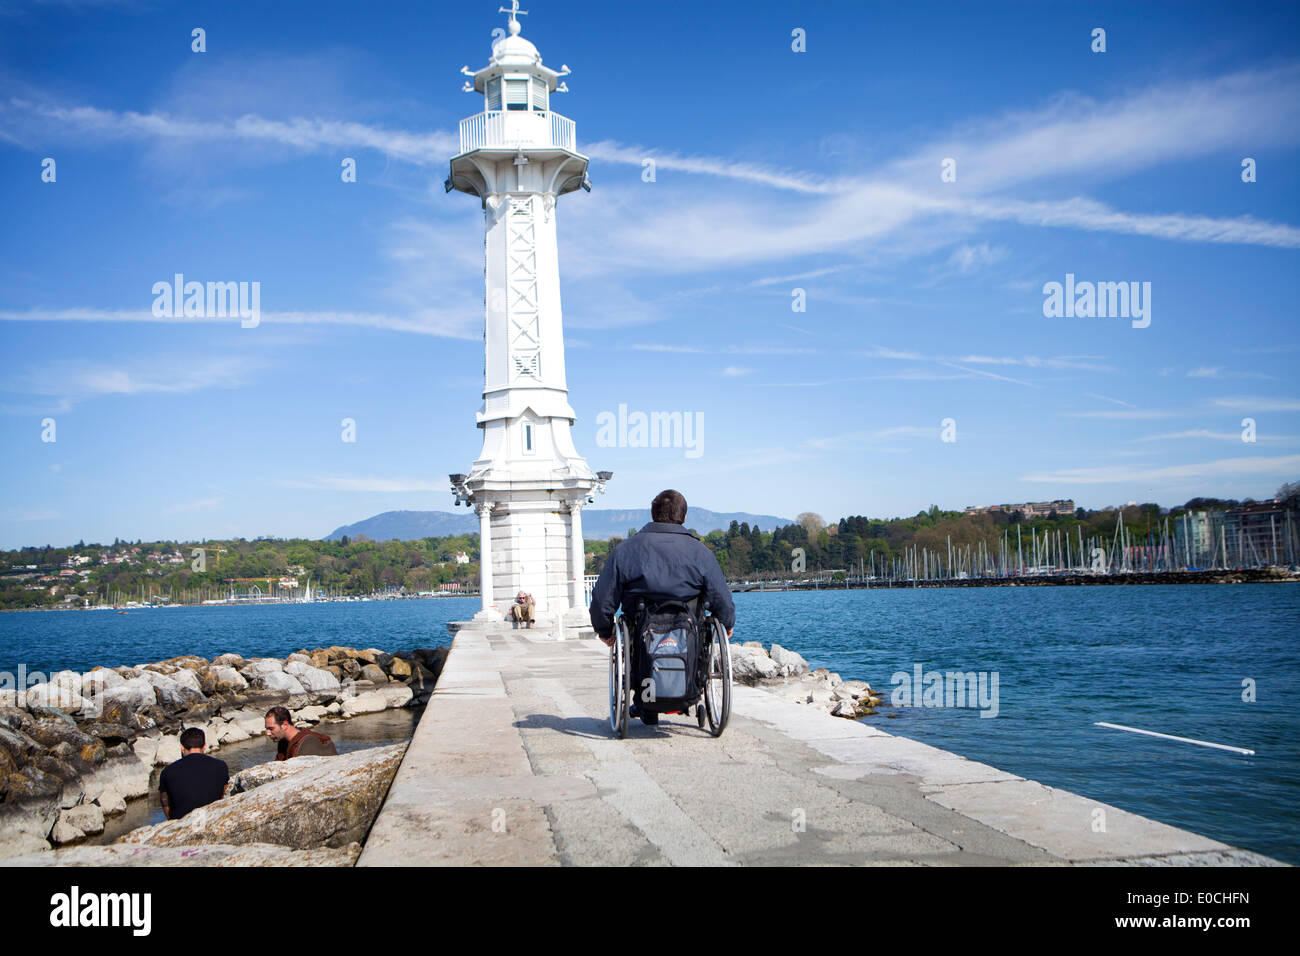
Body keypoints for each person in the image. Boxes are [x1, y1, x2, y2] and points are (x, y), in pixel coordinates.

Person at [589, 489, 736, 723]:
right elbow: (721, 597)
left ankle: (647, 700)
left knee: (637, 633)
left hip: (641, 629)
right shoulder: (701, 553)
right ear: (684, 517)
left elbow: (601, 600)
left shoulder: (626, 550)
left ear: (652, 514)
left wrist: (605, 630)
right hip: (689, 631)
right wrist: (726, 623)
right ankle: (687, 693)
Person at [158, 727, 229, 820]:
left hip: (180, 823)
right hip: (212, 818)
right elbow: (223, 793)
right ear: (204, 746)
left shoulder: (167, 771)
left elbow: (164, 800)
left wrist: (171, 821)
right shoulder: (221, 765)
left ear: (182, 748)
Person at [264, 706, 338, 761]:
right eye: (267, 729)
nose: (268, 733)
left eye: (271, 729)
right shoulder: (283, 742)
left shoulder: (306, 743)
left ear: (285, 725)